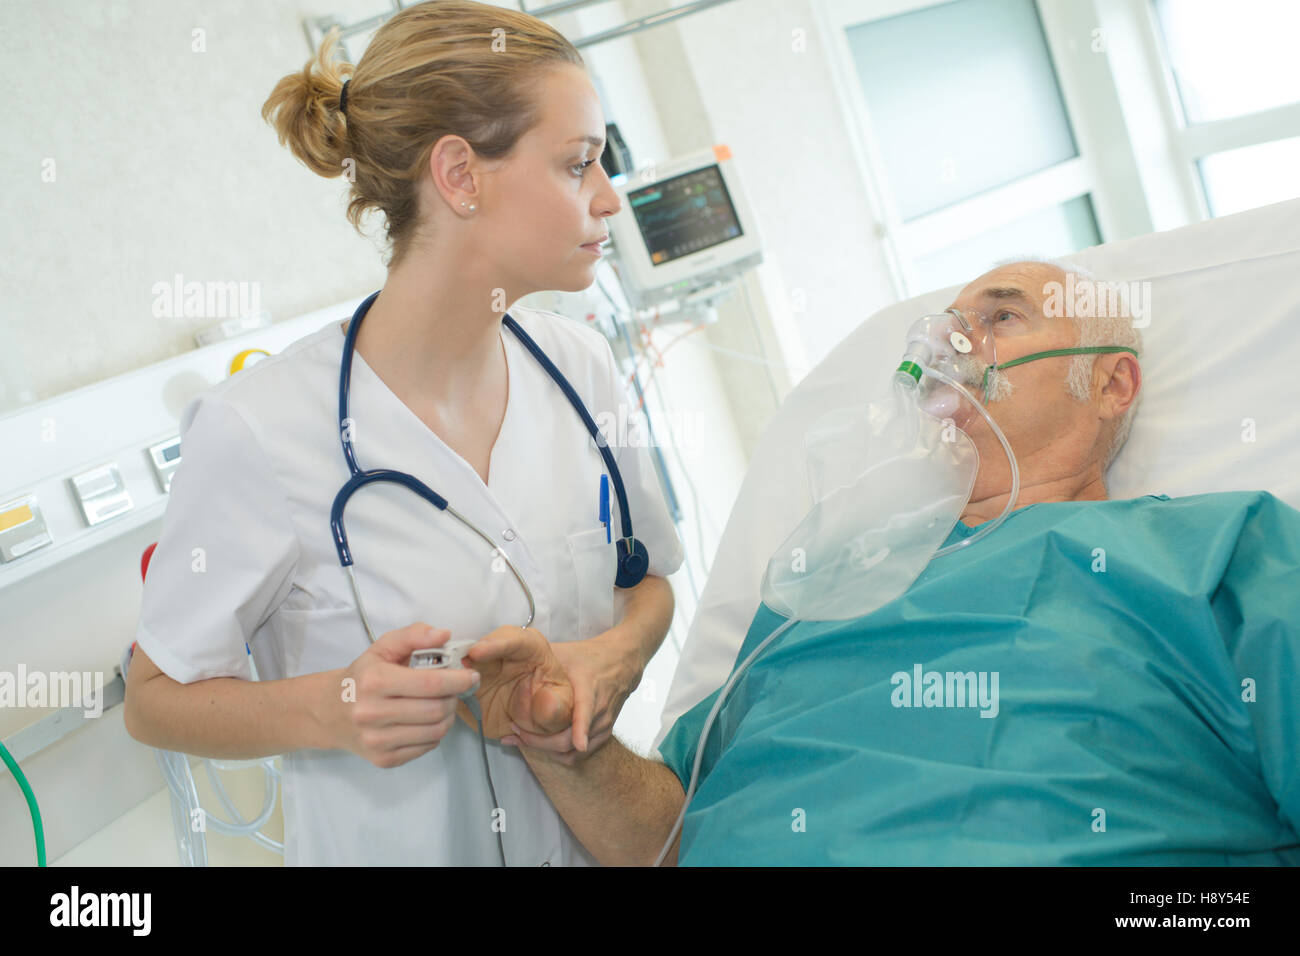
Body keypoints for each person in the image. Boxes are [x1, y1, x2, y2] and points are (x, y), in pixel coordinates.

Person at [483, 259, 1300, 865]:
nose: (954, 338)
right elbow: (672, 829)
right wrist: (567, 742)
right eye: (947, 318)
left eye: (1004, 317)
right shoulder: (829, 574)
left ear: (1113, 385)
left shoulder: (1219, 551)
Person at [124, 0, 682, 866]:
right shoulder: (260, 431)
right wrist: (328, 707)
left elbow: (648, 584)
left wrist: (615, 655)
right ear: (460, 174)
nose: (609, 197)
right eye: (578, 165)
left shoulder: (580, 367)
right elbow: (152, 697)